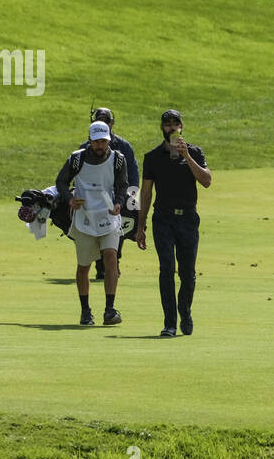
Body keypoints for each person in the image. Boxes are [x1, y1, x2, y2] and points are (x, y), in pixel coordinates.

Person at [135, 109, 211, 337]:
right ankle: (169, 322)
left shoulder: (194, 152)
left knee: (187, 273)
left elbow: (206, 180)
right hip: (163, 219)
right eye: (167, 124)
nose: (171, 127)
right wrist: (141, 226)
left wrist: (187, 156)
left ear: (182, 126)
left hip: (188, 218)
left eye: (175, 123)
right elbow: (146, 193)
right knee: (166, 269)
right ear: (162, 128)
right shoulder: (153, 157)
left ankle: (185, 312)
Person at [55, 120, 129, 325]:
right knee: (83, 266)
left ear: (109, 140)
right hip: (84, 217)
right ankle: (86, 311)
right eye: (96, 142)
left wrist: (118, 203)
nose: (100, 146)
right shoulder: (76, 159)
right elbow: (61, 181)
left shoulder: (118, 160)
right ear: (89, 140)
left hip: (108, 215)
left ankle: (109, 309)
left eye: (103, 141)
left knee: (111, 257)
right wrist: (69, 199)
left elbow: (122, 186)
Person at [82, 108, 139, 281]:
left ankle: (112, 264)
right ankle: (101, 266)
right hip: (94, 197)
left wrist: (132, 197)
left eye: (107, 121)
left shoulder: (123, 146)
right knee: (95, 233)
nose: (104, 123)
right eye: (100, 120)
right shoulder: (84, 148)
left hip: (119, 196)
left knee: (118, 231)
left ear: (112, 123)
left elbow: (133, 173)